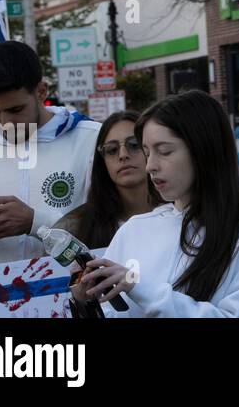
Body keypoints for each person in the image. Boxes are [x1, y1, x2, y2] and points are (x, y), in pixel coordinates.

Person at [0, 41, 100, 317]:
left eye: (14, 110)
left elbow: (115, 239)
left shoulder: (91, 140)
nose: (4, 123)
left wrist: (35, 223)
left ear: (41, 91)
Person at [78, 91, 239, 317]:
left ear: (203, 150)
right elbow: (110, 311)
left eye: (164, 151)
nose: (150, 166)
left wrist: (138, 286)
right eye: (147, 153)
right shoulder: (134, 230)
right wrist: (85, 301)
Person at [56, 110, 161, 318]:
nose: (123, 155)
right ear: (101, 161)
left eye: (133, 145)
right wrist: (80, 297)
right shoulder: (76, 226)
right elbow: (64, 302)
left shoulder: (180, 215)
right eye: (111, 150)